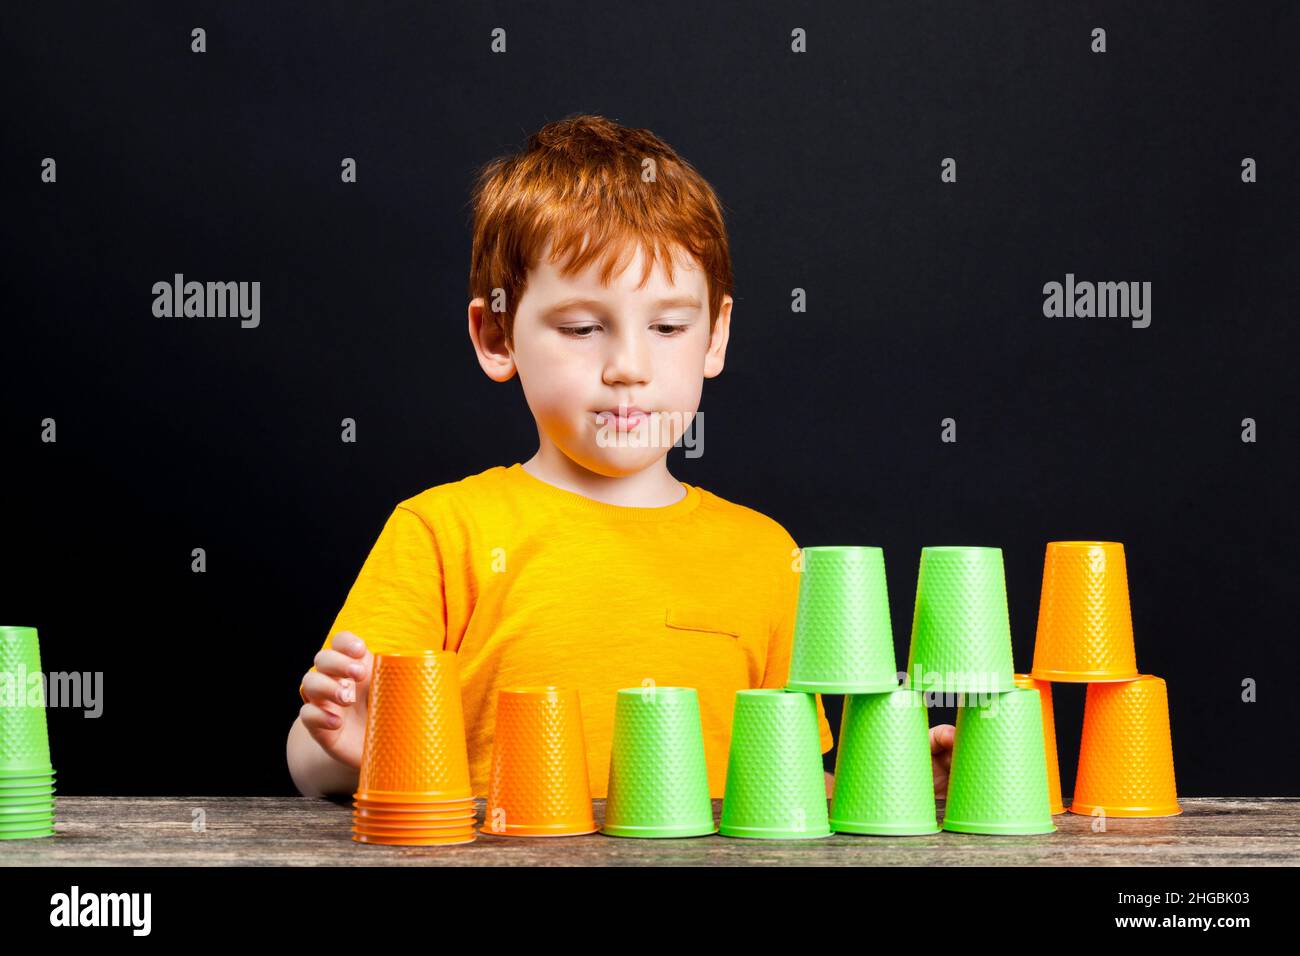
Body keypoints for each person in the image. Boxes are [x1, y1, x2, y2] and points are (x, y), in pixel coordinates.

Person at [286, 113, 956, 801]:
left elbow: (788, 787)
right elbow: (310, 759)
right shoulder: (441, 536)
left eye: (668, 326)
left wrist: (899, 782)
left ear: (715, 336)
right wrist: (358, 747)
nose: (629, 367)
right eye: (582, 327)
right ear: (496, 336)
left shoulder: (768, 556)